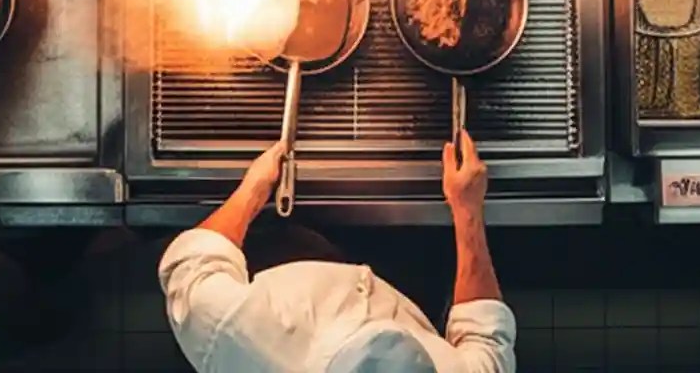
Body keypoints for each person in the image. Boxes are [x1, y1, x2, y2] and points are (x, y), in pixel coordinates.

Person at [159, 130, 516, 372]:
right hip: (406, 294)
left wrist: (255, 189)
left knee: (282, 239)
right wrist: (467, 209)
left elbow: (192, 262)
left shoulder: (239, 335)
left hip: (290, 257)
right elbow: (485, 336)